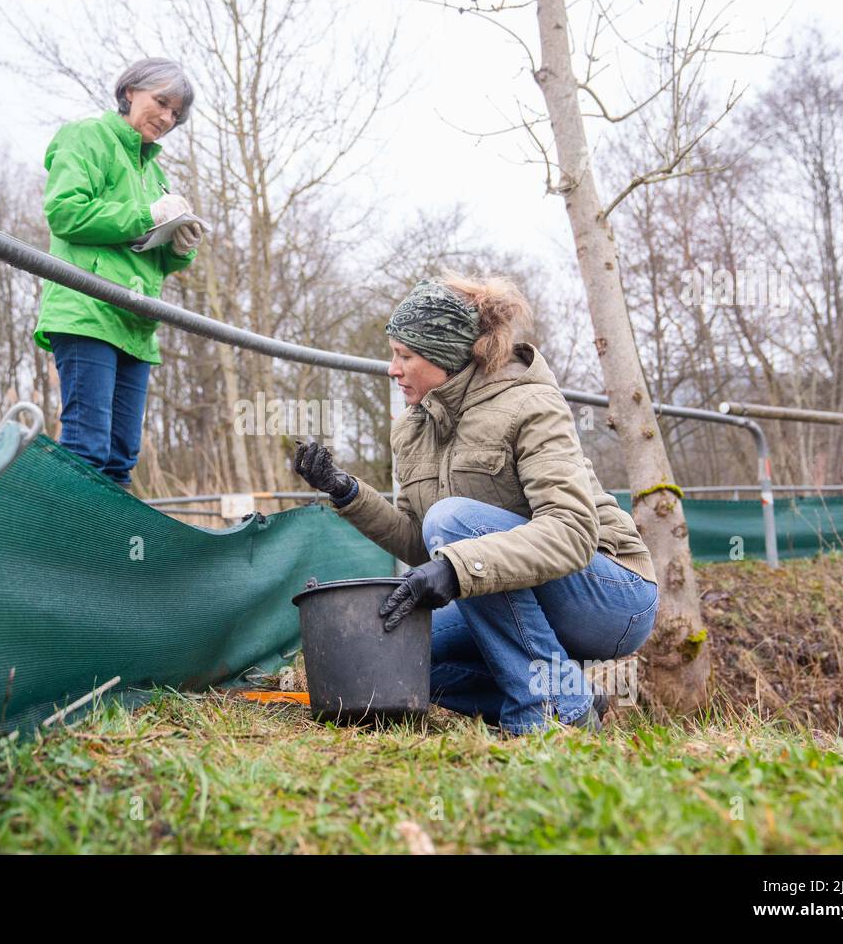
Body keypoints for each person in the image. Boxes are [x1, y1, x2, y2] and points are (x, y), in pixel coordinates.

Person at [293, 274, 659, 734]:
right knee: (399, 653)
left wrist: (458, 567)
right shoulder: (410, 429)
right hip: (520, 594)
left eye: (405, 355)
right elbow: (422, 540)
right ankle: (571, 693)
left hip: (610, 593)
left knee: (455, 521)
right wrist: (347, 491)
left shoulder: (529, 403)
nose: (392, 369)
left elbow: (571, 531)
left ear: (444, 355)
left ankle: (551, 715)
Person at [35, 57, 203, 489]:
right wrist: (146, 214)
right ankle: (58, 547)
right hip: (88, 310)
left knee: (120, 457)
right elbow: (65, 213)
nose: (167, 117)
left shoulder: (156, 172)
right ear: (130, 91)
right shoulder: (87, 136)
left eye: (175, 113)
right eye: (161, 102)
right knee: (86, 447)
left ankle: (108, 555)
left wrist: (179, 247)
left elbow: (149, 249)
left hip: (137, 324)